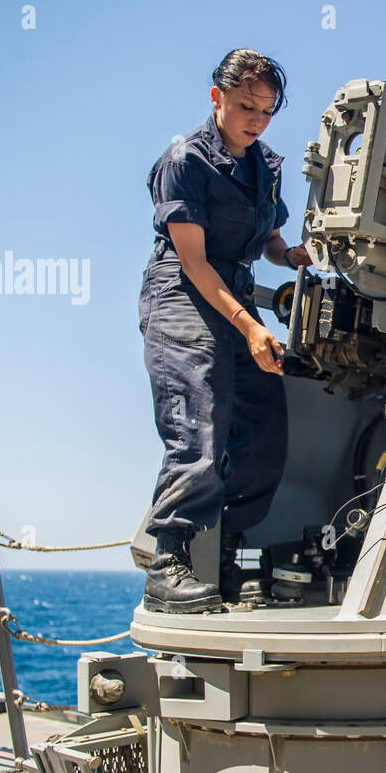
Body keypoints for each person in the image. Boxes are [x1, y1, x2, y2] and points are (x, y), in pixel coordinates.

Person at [138, 49, 313, 613]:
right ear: (217, 98)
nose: (256, 119)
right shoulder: (184, 158)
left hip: (233, 294)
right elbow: (193, 262)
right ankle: (169, 563)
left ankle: (223, 553)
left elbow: (267, 234)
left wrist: (289, 256)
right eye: (246, 106)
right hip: (183, 295)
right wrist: (248, 326)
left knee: (264, 431)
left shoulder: (267, 163)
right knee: (199, 422)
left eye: (267, 110)